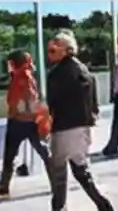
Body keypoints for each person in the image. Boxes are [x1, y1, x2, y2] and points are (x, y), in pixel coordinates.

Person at [45, 32, 113, 211]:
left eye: (53, 50)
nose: (49, 54)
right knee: (81, 169)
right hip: (82, 127)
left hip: (63, 128)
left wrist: (46, 123)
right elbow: (93, 99)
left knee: (60, 172)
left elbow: (52, 103)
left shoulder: (56, 74)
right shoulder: (84, 70)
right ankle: (103, 204)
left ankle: (60, 208)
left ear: (66, 50)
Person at [0, 50, 52, 197]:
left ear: (14, 63)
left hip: (20, 121)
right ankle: (57, 184)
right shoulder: (23, 75)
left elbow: (28, 99)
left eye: (9, 63)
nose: (8, 66)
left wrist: (20, 111)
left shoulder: (22, 77)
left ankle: (3, 185)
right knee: (44, 153)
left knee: (11, 155)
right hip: (29, 121)